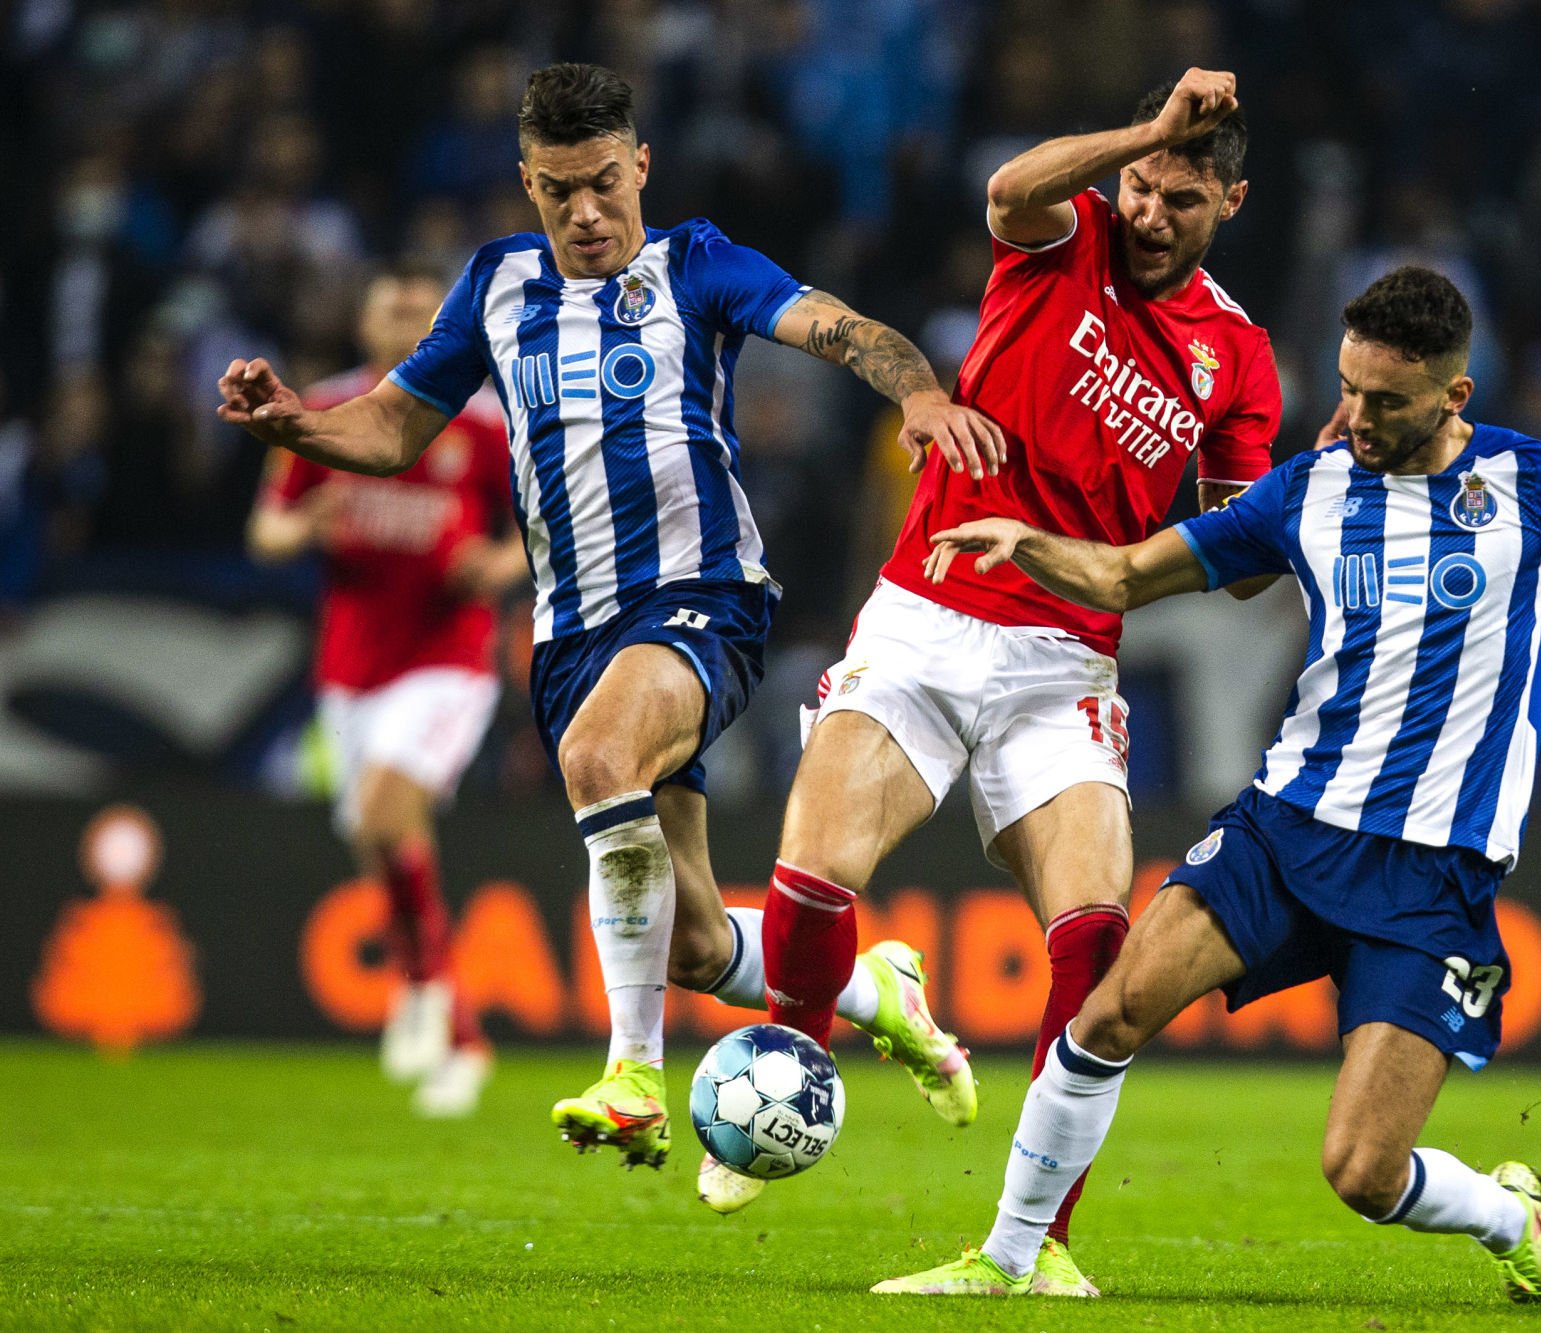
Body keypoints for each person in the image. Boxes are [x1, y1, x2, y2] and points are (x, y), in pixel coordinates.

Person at [876, 266, 1541, 1302]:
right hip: (1285, 829)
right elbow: (1125, 574)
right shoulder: (1303, 491)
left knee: (1360, 1170)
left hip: (1429, 877)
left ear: (1454, 398)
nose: (1353, 415)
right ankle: (1011, 1257)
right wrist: (1024, 542)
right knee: (1108, 1012)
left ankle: (1500, 1211)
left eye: (1383, 401)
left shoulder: (1534, 489)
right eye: (1346, 389)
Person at [217, 62, 1001, 1211]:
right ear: (526, 184)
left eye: (601, 185)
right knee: (687, 943)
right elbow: (390, 428)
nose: (584, 213)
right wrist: (298, 426)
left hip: (701, 598)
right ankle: (879, 990)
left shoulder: (695, 263)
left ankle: (633, 1072)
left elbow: (838, 328)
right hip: (573, 631)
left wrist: (915, 391)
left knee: (595, 760)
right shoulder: (494, 284)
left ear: (640, 166)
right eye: (556, 191)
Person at [756, 68, 1281, 1291]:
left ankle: (1034, 1247)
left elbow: (1238, 558)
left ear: (1233, 203)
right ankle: (788, 1069)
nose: (1150, 211)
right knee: (810, 877)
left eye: (1183, 197)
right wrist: (1145, 131)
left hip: (1068, 660)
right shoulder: (1067, 234)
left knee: (1094, 944)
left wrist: (1284, 512)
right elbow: (1006, 185)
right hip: (930, 613)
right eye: (1144, 186)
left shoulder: (1238, 357)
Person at [246, 262, 523, 1117]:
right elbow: (265, 529)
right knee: (379, 840)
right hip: (351, 666)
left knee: (380, 811)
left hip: (447, 657)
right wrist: (301, 529)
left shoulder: (480, 423)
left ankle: (427, 991)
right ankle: (447, 1014)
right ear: (365, 322)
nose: (405, 318)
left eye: (420, 308)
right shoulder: (323, 409)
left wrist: (500, 566)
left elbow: (539, 530)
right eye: (390, 305)